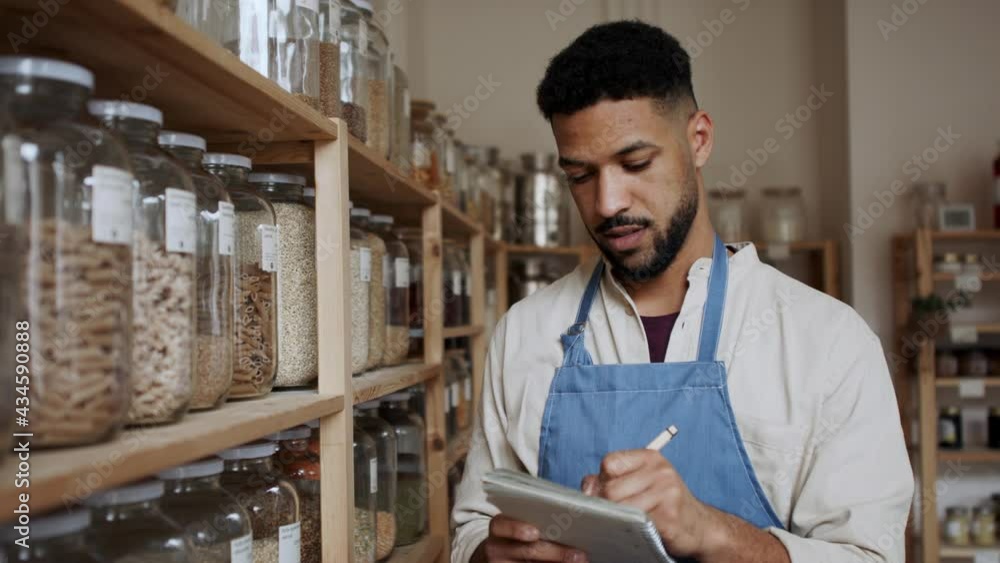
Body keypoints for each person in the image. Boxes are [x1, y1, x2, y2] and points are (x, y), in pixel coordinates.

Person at [450, 20, 914, 563]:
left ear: (699, 140)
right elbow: (471, 532)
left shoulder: (827, 341)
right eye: (580, 175)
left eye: (635, 163)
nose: (606, 203)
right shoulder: (526, 332)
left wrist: (712, 532)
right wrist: (490, 555)